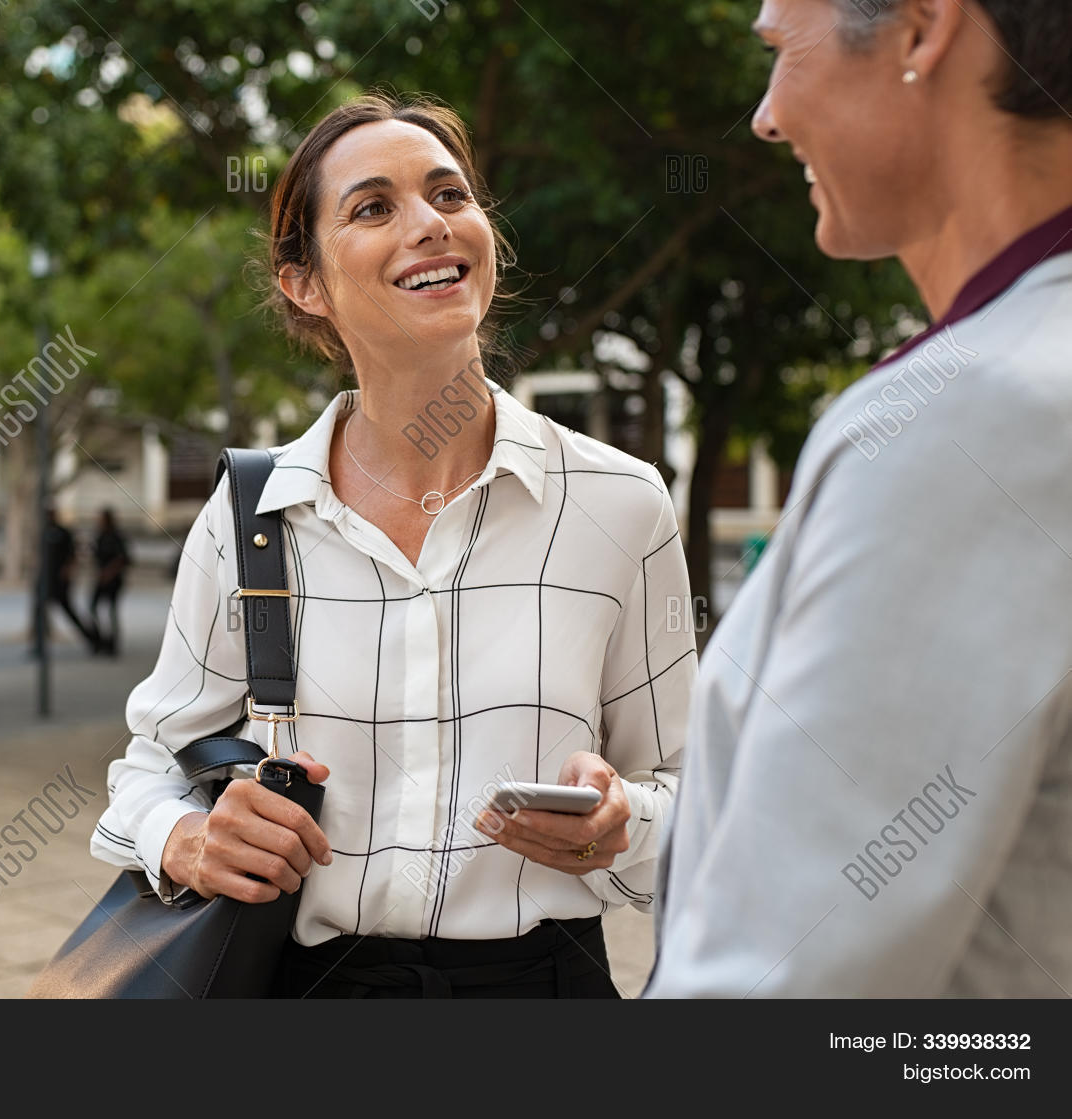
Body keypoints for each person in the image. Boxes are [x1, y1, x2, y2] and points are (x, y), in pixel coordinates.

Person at [91, 92, 697, 998]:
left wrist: (624, 826)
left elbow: (692, 796)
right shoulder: (252, 513)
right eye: (373, 207)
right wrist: (188, 839)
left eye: (450, 195)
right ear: (305, 283)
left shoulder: (622, 503)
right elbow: (151, 763)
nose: (429, 225)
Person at [647, 0, 1072, 997]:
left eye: (781, 51)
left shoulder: (976, 414)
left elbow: (785, 982)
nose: (766, 114)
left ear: (922, 30)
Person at [42, 507, 99, 654]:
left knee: (69, 612)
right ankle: (41, 643)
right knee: (41, 611)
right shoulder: (44, 532)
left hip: (61, 581)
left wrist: (68, 572)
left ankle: (93, 639)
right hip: (48, 579)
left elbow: (73, 556)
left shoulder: (63, 533)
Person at [88, 507, 129, 657]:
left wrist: (109, 572)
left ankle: (112, 644)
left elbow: (123, 558)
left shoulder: (116, 536)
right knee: (93, 608)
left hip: (113, 580)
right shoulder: (99, 536)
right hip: (101, 578)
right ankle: (100, 640)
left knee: (111, 611)